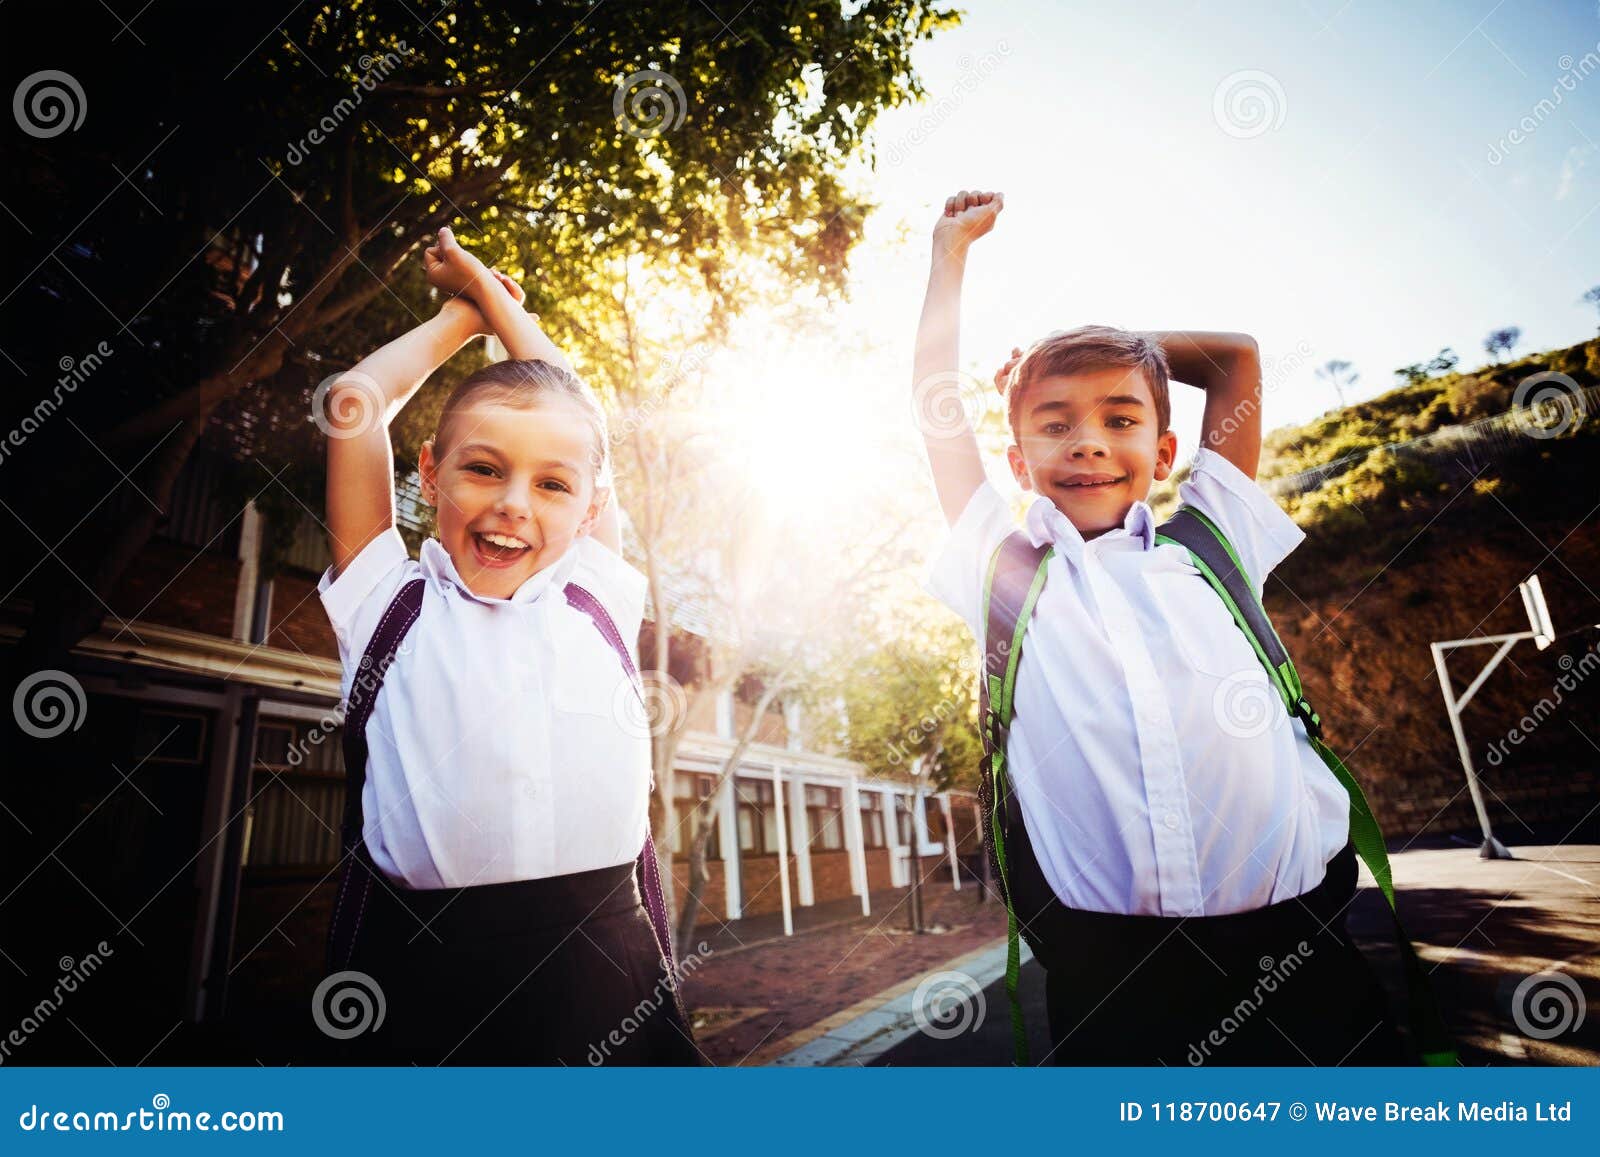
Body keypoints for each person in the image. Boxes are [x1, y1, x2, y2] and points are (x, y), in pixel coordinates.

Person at [913, 190, 1407, 1065]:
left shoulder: (1213, 540)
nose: (1089, 442)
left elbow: (1236, 359)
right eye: (1055, 424)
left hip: (1297, 953)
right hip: (1114, 980)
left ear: (1166, 453)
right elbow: (935, 410)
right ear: (1019, 461)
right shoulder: (1007, 570)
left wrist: (1118, 346)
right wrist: (949, 256)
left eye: (1121, 418)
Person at [316, 227, 699, 1066]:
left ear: (592, 502)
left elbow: (583, 419)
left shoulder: (595, 591)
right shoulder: (389, 602)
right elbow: (352, 404)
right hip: (427, 979)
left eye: (553, 483)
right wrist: (464, 316)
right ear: (430, 472)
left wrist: (495, 298)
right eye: (483, 469)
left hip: (610, 967)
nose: (514, 503)